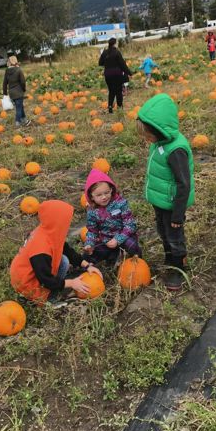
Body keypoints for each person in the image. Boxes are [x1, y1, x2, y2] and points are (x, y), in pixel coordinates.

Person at [136, 93, 195, 290]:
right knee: (163, 231)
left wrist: (178, 215)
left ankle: (179, 267)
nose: (147, 138)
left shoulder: (176, 150)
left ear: (160, 130)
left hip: (172, 205)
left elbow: (184, 184)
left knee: (174, 235)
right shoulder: (161, 142)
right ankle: (170, 259)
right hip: (161, 201)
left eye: (148, 134)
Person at [10, 200, 103, 304]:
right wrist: (71, 283)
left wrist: (87, 266)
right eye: (66, 221)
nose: (69, 223)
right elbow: (45, 280)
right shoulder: (40, 249)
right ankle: (47, 298)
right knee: (50, 283)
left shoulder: (49, 231)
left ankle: (57, 285)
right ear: (58, 222)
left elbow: (67, 250)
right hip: (26, 283)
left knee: (64, 260)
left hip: (33, 271)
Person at [82, 169, 142, 267]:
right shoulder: (92, 211)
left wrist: (118, 239)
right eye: (99, 195)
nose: (104, 197)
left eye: (106, 192)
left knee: (132, 246)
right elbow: (92, 231)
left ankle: (137, 261)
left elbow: (130, 225)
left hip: (124, 236)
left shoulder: (120, 203)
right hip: (106, 240)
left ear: (111, 190)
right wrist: (89, 244)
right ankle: (112, 256)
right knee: (87, 256)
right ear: (91, 196)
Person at [98, 38, 133, 113]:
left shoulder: (105, 52)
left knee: (111, 91)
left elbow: (100, 63)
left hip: (107, 74)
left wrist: (107, 63)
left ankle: (110, 107)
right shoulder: (117, 52)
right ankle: (119, 108)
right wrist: (129, 73)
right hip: (116, 74)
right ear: (115, 43)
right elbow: (122, 64)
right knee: (118, 91)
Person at [3, 55, 31, 127]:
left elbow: (4, 83)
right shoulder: (19, 70)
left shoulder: (7, 71)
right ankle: (17, 122)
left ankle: (25, 120)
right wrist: (23, 89)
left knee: (20, 106)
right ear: (15, 61)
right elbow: (23, 82)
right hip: (18, 93)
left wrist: (5, 93)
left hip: (12, 94)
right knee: (19, 108)